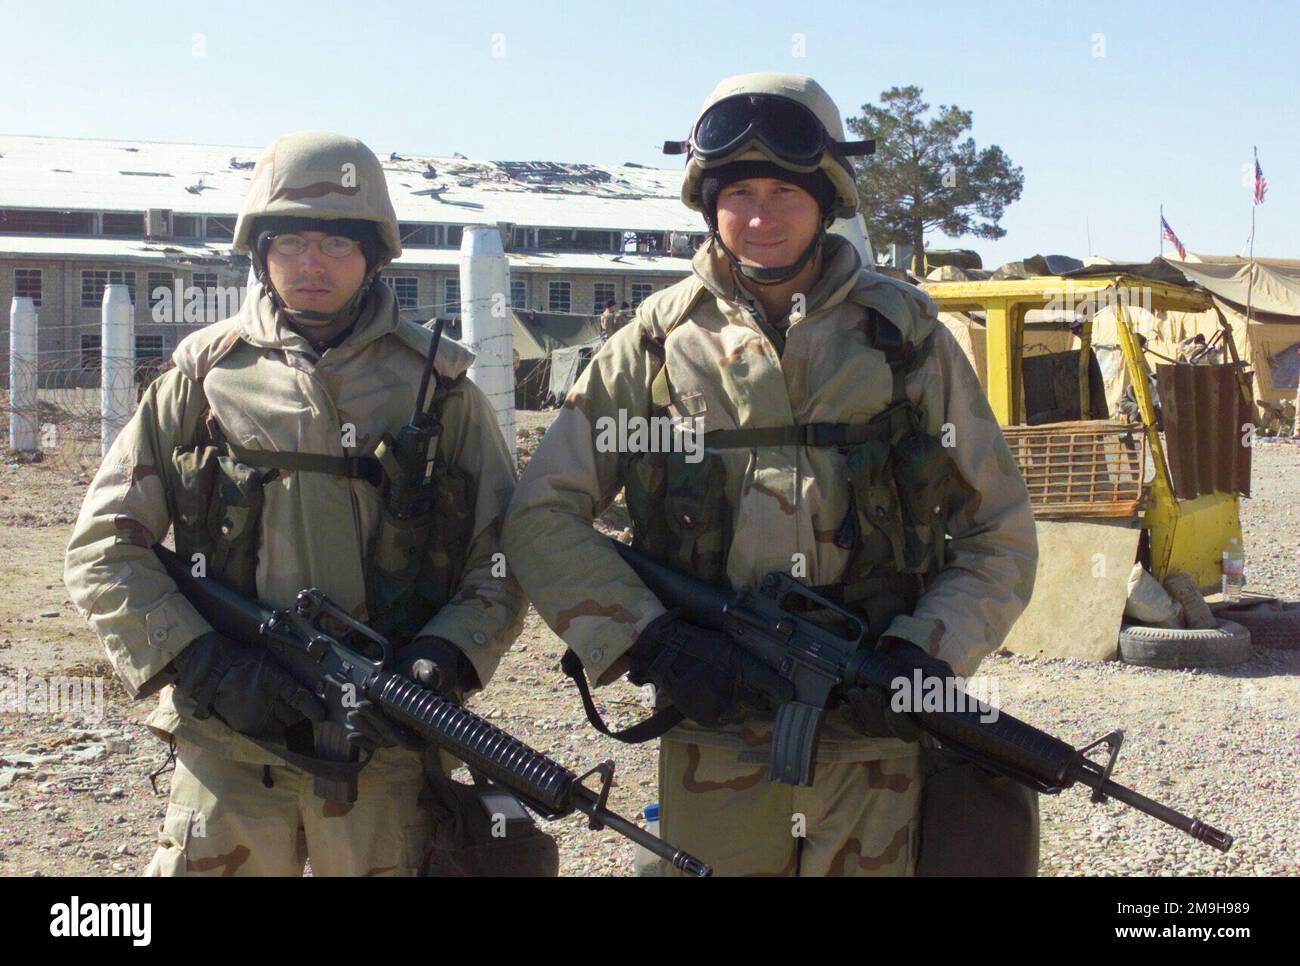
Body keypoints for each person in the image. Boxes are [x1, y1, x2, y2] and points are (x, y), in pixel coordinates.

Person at [503, 74, 1037, 876]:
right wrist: (652, 641)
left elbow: (999, 530)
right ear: (707, 202)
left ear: (827, 199)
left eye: (785, 191)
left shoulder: (907, 338)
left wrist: (926, 655)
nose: (759, 216)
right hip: (713, 733)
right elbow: (541, 516)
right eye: (739, 192)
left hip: (872, 734)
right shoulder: (654, 345)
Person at [65, 131, 526, 876]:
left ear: (374, 254)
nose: (312, 264)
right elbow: (104, 546)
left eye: (336, 245)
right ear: (260, 253)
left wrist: (445, 657)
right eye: (291, 242)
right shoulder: (202, 378)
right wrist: (203, 660)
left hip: (385, 749)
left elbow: (504, 555)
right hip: (229, 747)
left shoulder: (440, 390)